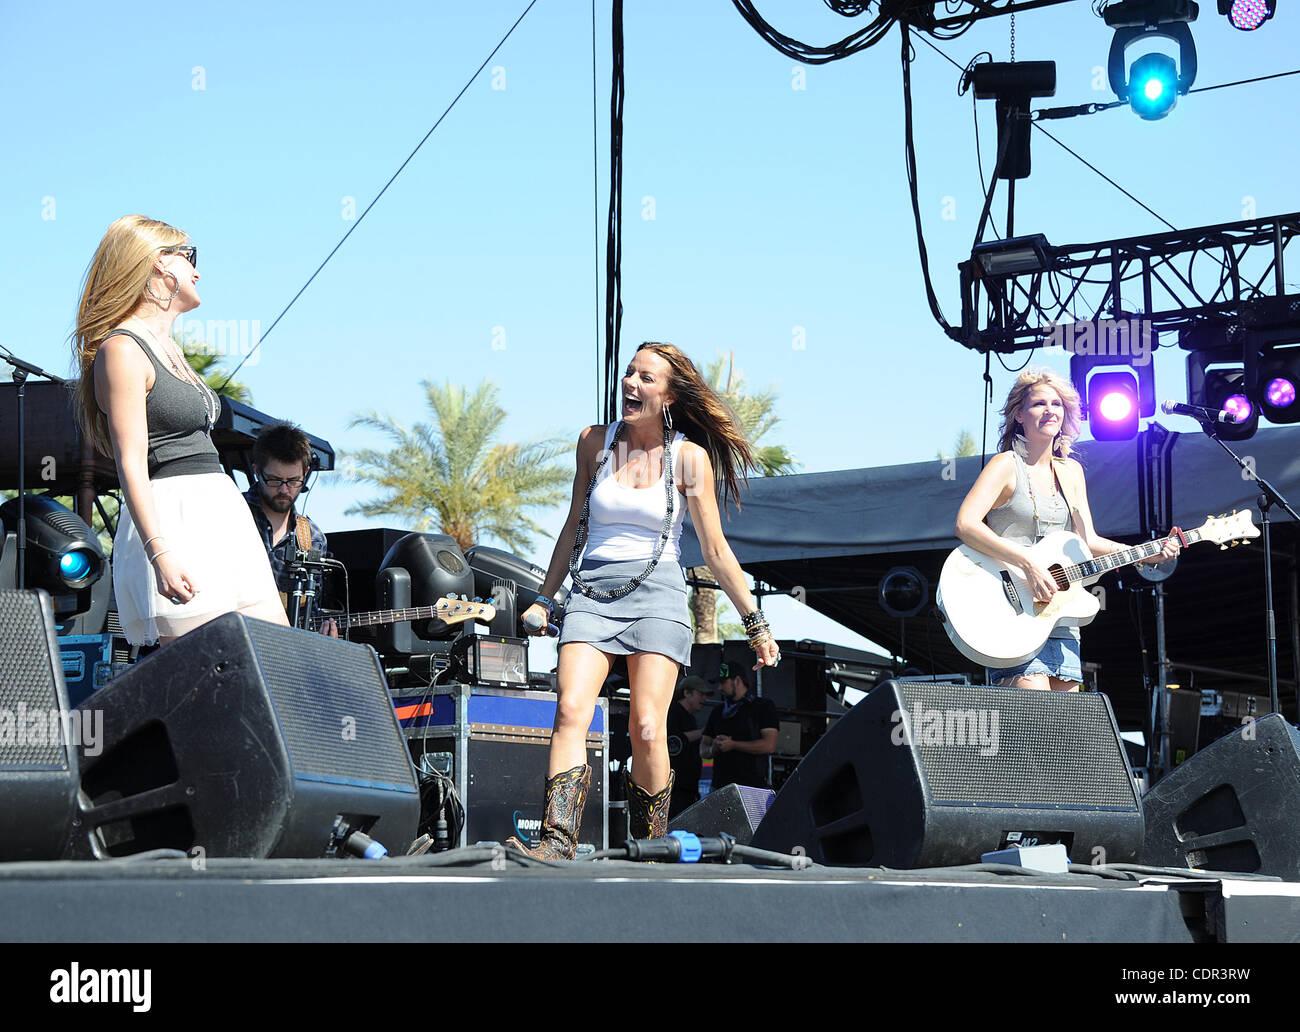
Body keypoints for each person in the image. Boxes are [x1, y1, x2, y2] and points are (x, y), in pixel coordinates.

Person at [506, 342, 781, 859]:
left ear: (670, 396)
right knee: (570, 709)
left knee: (648, 727)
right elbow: (573, 526)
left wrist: (755, 623)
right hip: (592, 590)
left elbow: (717, 551)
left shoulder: (689, 458)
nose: (631, 383)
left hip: (658, 594)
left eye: (646, 378)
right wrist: (546, 597)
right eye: (629, 373)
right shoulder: (594, 442)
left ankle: (651, 845)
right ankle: (557, 840)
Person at [71, 215, 288, 646]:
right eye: (189, 256)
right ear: (158, 266)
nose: (197, 270)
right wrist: (161, 553)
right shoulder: (122, 349)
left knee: (276, 657)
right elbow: (131, 463)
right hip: (176, 518)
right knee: (211, 676)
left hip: (219, 510)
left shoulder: (167, 345)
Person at [953, 367, 1179, 690]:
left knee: (1065, 733)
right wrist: (1028, 563)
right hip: (1011, 613)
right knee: (1038, 727)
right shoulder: (1005, 465)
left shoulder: (1071, 472)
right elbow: (965, 524)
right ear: (1019, 414)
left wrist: (1145, 553)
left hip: (1061, 620)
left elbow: (1088, 542)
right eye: (1039, 404)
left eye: (1057, 404)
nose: (1050, 411)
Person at [244, 422, 337, 636]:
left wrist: (322, 639)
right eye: (275, 480)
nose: (284, 490)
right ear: (257, 470)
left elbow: (310, 613)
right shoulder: (233, 514)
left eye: (294, 481)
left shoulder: (312, 537)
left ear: (306, 472)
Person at [700, 661, 779, 791]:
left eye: (723, 682)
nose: (719, 688)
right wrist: (714, 748)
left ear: (737, 681)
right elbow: (703, 749)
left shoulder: (763, 706)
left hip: (752, 786)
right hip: (720, 788)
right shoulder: (717, 711)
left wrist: (733, 745)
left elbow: (769, 745)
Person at [666, 675, 709, 817]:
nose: (704, 699)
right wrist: (704, 732)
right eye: (701, 694)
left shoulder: (690, 717)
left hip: (688, 785)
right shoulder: (673, 713)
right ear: (687, 693)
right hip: (676, 786)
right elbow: (673, 741)